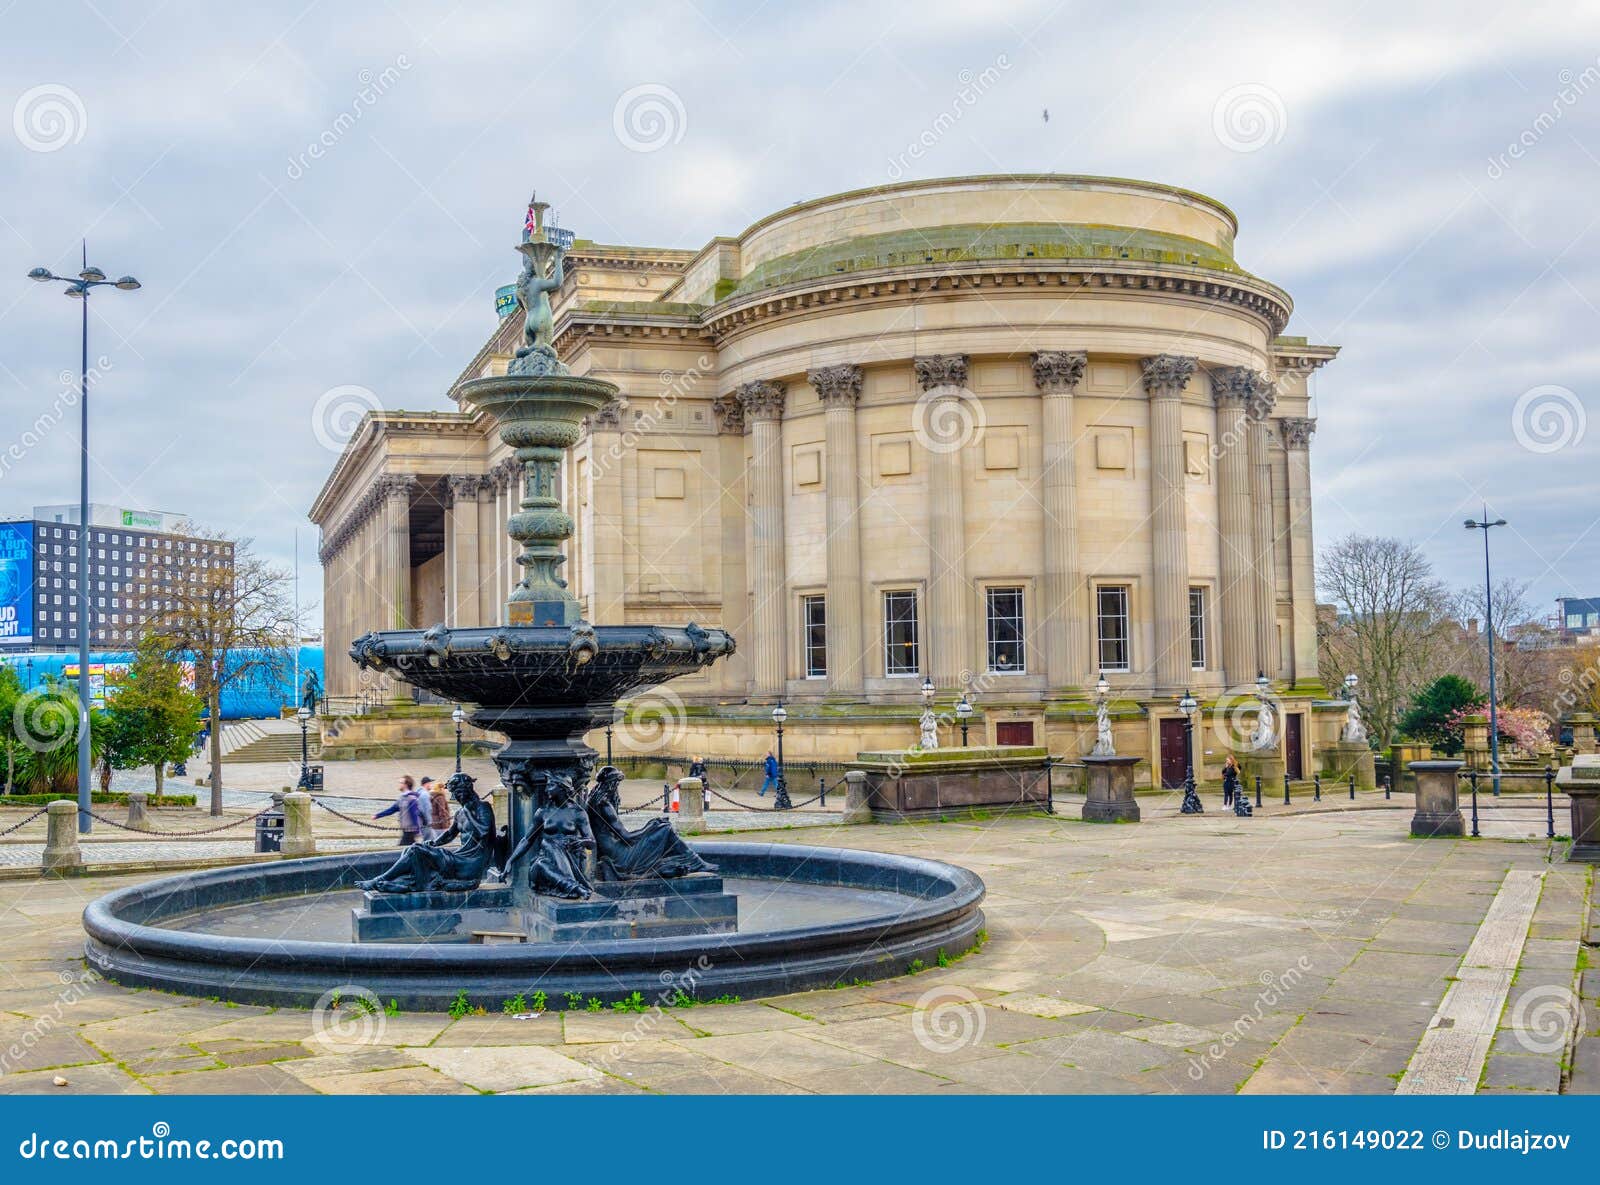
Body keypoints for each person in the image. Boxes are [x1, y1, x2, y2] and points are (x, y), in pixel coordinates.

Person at [358, 773, 497, 893]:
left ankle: (380, 880)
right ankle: (403, 883)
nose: (457, 800)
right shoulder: (461, 813)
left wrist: (468, 810)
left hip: (469, 864)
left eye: (458, 796)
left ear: (466, 793)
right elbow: (450, 834)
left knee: (415, 850)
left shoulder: (482, 808)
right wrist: (434, 843)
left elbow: (483, 831)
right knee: (411, 850)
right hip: (459, 857)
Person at [374, 775, 426, 846]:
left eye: (401, 783)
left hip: (411, 831)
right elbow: (392, 809)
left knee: (401, 848)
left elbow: (414, 814)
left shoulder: (412, 798)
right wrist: (377, 815)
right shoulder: (402, 798)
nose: (399, 784)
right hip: (406, 830)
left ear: (406, 785)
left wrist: (417, 831)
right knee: (409, 849)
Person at [423, 776, 451, 842]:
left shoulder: (431, 796)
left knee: (435, 841)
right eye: (443, 789)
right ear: (441, 789)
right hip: (440, 825)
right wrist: (445, 826)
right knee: (442, 842)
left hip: (433, 824)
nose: (445, 791)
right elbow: (442, 812)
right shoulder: (440, 798)